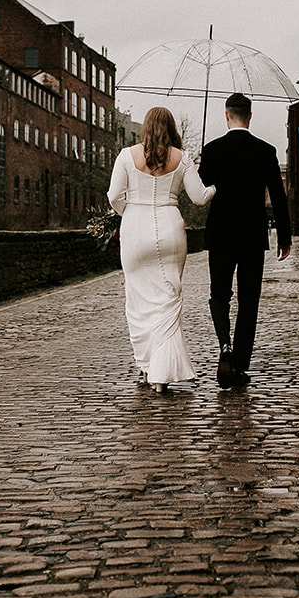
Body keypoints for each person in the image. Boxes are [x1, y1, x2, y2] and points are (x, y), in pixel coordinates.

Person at [107, 106, 216, 393]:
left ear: (145, 127)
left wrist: (129, 212)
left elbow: (114, 196)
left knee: (139, 300)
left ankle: (147, 366)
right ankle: (161, 374)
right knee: (168, 299)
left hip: (134, 229)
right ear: (171, 128)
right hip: (170, 228)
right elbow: (200, 197)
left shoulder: (126, 156)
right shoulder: (182, 159)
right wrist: (214, 185)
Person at [198, 92, 291, 389]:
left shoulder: (212, 149)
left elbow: (201, 187)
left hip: (220, 234)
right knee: (248, 301)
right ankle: (238, 366)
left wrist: (203, 163)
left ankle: (224, 344)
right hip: (252, 236)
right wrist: (284, 237)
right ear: (250, 116)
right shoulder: (265, 151)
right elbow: (278, 196)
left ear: (226, 115)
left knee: (219, 295)